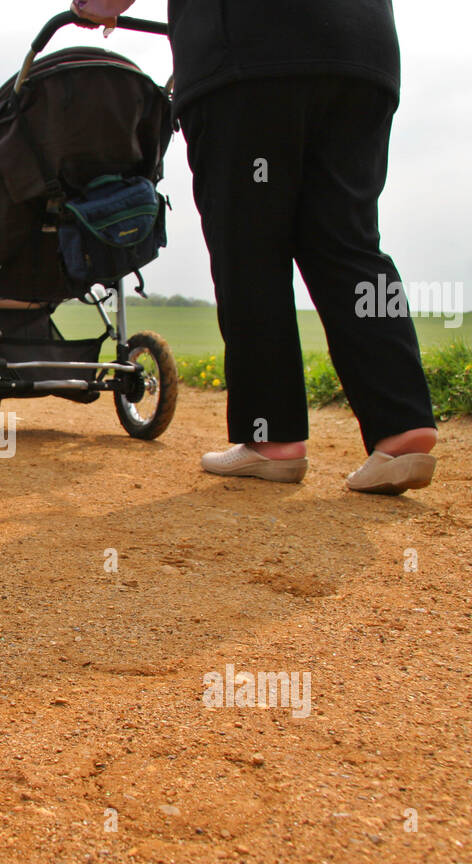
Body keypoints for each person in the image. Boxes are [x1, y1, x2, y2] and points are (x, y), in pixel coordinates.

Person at [71, 0, 439, 495]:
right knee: (349, 241)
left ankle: (273, 440)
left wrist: (95, 6)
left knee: (249, 248)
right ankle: (401, 426)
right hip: (362, 51)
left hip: (247, 54)